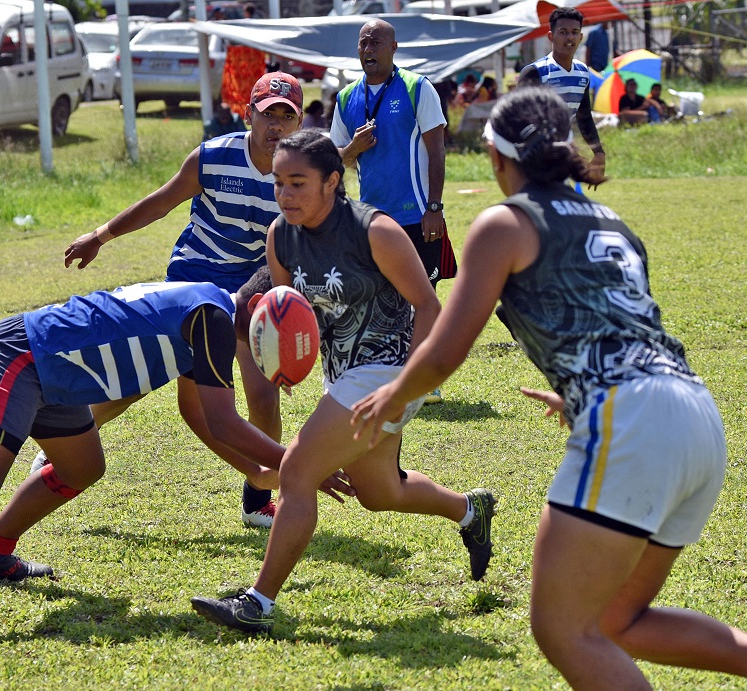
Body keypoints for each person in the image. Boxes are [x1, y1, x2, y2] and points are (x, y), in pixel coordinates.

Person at [350, 86, 747, 691]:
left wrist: (394, 393)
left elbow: (446, 349)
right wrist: (585, 392)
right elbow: (623, 322)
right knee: (618, 619)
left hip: (634, 416)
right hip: (693, 412)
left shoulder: (505, 222)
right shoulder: (614, 222)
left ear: (496, 156)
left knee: (562, 628)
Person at [0, 269, 354, 653]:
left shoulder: (210, 310)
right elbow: (223, 422)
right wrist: (296, 464)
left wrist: (255, 470)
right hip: (19, 356)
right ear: (263, 305)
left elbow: (202, 419)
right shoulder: (213, 319)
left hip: (54, 373)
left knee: (82, 467)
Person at [189, 129, 496, 635]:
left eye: (298, 183)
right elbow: (286, 311)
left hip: (391, 372)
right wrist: (281, 361)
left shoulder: (375, 230)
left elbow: (428, 306)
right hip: (343, 374)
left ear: (333, 181)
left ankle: (258, 604)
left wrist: (410, 386)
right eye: (278, 184)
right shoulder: (280, 237)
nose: (285, 195)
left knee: (298, 473)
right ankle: (470, 511)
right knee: (379, 492)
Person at [56, 72, 304, 529]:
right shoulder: (212, 157)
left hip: (251, 290)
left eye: (287, 117)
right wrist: (101, 235)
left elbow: (303, 247)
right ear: (249, 115)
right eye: (269, 115)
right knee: (137, 383)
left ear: (299, 122)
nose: (276, 126)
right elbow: (161, 201)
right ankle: (62, 442)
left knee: (264, 398)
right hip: (192, 282)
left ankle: (257, 497)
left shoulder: (300, 174)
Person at [329, 18, 457, 404]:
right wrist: (353, 149)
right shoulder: (346, 98)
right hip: (369, 220)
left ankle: (426, 376)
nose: (369, 49)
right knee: (376, 297)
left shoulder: (418, 88)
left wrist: (434, 207)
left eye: (376, 42)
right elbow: (332, 160)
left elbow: (436, 151)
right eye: (363, 43)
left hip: (417, 215)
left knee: (422, 297)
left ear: (393, 48)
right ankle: (385, 373)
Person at [518, 7, 605, 185]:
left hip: (561, 154)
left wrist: (598, 153)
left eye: (574, 32)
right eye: (563, 32)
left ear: (581, 37)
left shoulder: (583, 73)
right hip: (533, 157)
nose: (570, 38)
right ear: (551, 36)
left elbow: (584, 117)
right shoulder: (536, 72)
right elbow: (518, 119)